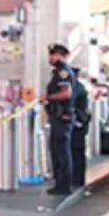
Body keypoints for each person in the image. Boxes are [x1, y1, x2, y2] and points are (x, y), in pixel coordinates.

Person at [43, 44, 74, 196]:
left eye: (53, 55)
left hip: (62, 117)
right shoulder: (58, 72)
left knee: (60, 151)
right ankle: (59, 183)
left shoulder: (63, 72)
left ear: (60, 55)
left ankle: (63, 185)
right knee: (57, 151)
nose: (50, 58)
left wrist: (48, 98)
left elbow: (66, 94)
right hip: (58, 116)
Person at [70, 64, 90, 189]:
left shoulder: (76, 88)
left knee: (76, 151)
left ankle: (77, 179)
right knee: (77, 152)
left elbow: (71, 101)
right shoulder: (79, 86)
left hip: (78, 122)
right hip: (80, 121)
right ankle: (78, 179)